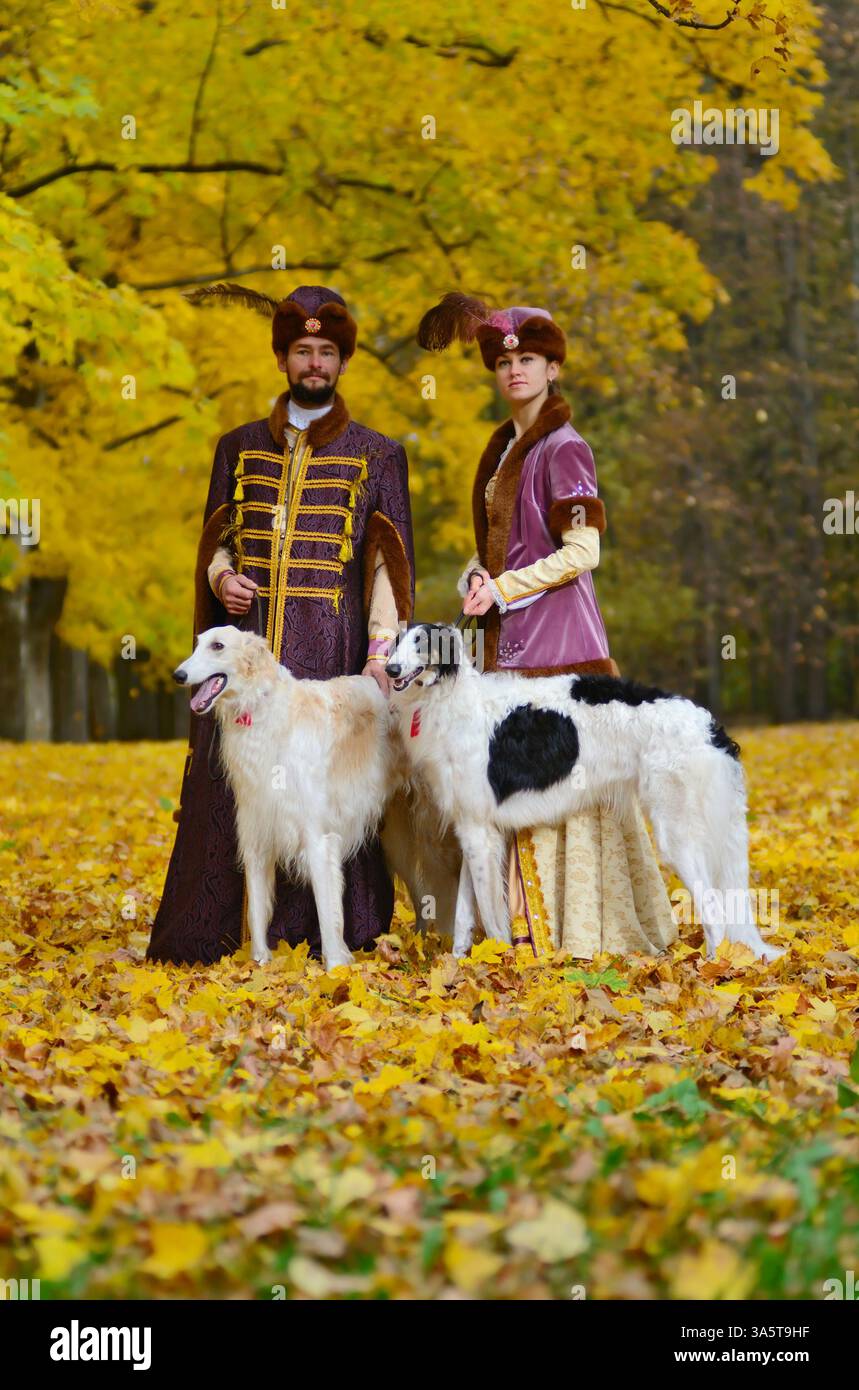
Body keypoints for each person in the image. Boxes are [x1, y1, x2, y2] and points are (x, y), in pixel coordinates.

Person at [147, 284, 415, 965]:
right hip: (247, 661)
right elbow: (216, 540)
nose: (315, 363)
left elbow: (390, 563)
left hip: (334, 650)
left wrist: (381, 650)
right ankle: (213, 935)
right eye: (303, 351)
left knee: (330, 790)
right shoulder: (235, 448)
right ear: (283, 358)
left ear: (342, 361)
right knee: (231, 787)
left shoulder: (378, 454)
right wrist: (220, 578)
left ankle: (336, 934)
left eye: (327, 352)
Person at [417, 294, 677, 958]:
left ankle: (585, 937)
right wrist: (478, 577)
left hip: (562, 651)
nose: (515, 372)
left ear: (552, 367)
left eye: (528, 359)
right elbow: (504, 550)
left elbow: (582, 553)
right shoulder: (503, 448)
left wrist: (503, 585)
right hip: (507, 652)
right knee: (505, 792)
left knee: (571, 793)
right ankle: (513, 937)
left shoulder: (566, 448)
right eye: (504, 362)